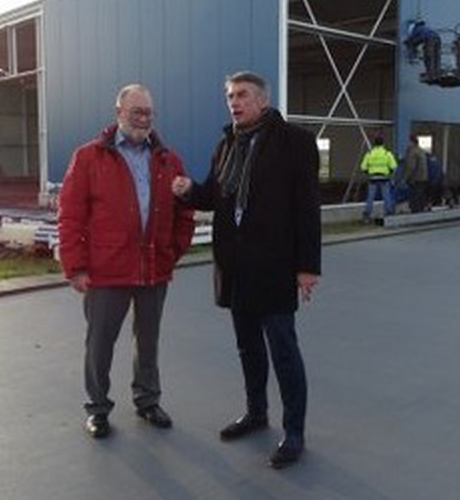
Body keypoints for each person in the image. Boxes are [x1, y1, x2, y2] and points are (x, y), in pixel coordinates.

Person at [171, 71, 321, 469]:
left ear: (263, 100)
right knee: (248, 348)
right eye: (230, 97)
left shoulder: (295, 142)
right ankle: (257, 414)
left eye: (242, 95)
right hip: (236, 268)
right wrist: (189, 191)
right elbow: (213, 197)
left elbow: (307, 209)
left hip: (275, 266)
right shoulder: (226, 146)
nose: (234, 103)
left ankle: (294, 431)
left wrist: (308, 267)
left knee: (283, 351)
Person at [57, 83, 196, 439]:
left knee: (148, 341)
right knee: (100, 343)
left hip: (153, 269)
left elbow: (184, 212)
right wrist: (76, 267)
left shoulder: (168, 159)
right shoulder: (89, 157)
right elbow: (70, 216)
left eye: (149, 112)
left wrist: (172, 251)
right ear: (118, 113)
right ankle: (98, 408)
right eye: (137, 112)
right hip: (107, 271)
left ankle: (148, 401)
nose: (144, 119)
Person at [359, 136, 398, 222]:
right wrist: (390, 174)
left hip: (372, 178)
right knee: (386, 196)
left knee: (370, 197)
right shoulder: (387, 153)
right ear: (383, 144)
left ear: (374, 144)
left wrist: (368, 173)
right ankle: (388, 213)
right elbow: (394, 167)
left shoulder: (369, 153)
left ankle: (367, 214)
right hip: (384, 178)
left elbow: (363, 167)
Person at [402, 133, 430, 213]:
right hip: (423, 177)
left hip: (416, 178)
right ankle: (420, 212)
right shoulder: (421, 150)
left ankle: (415, 212)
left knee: (415, 196)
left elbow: (411, 167)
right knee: (420, 196)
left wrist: (405, 178)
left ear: (411, 142)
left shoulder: (412, 152)